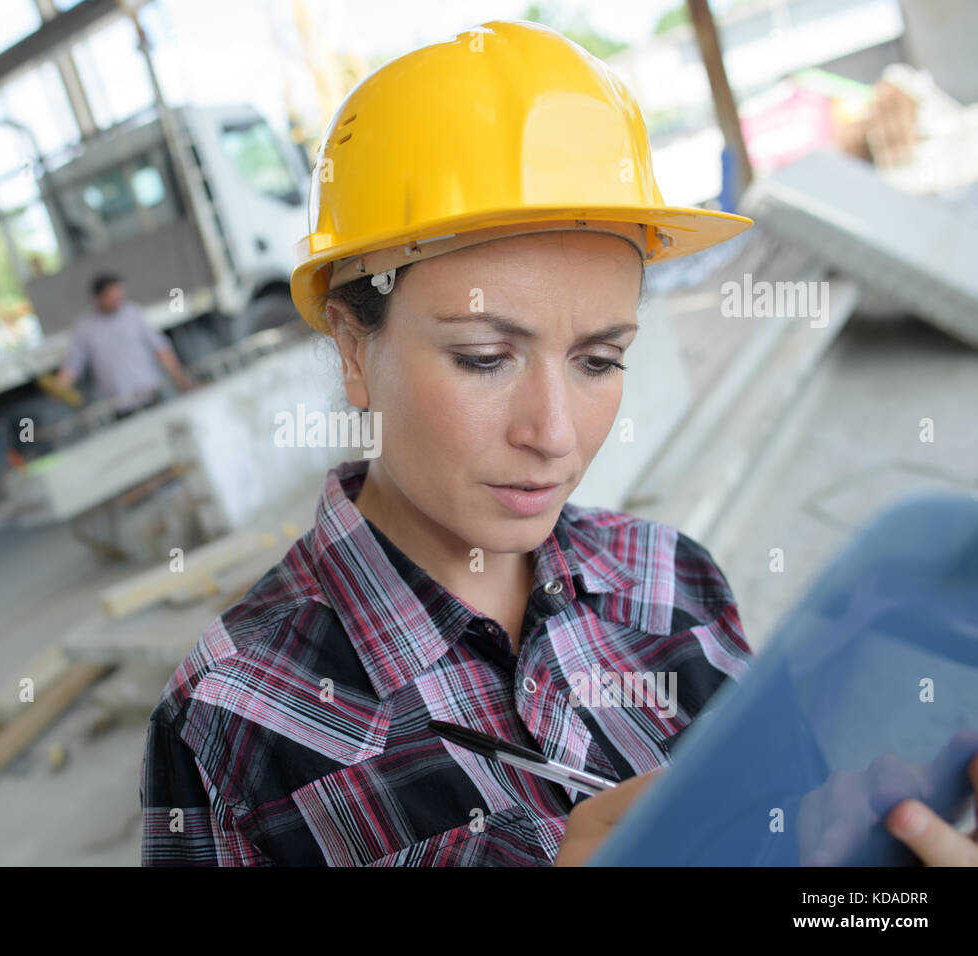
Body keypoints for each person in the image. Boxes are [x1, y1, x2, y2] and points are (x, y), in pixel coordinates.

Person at [139, 20, 978, 867]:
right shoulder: (229, 720)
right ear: (355, 351)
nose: (554, 433)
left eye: (599, 359)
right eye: (484, 358)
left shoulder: (670, 581)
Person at [54, 273, 193, 417]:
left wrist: (180, 378)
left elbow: (161, 348)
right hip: (120, 406)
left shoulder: (133, 314)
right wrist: (60, 388)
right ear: (99, 297)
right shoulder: (85, 328)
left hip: (152, 395)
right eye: (112, 295)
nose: (118, 298)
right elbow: (74, 363)